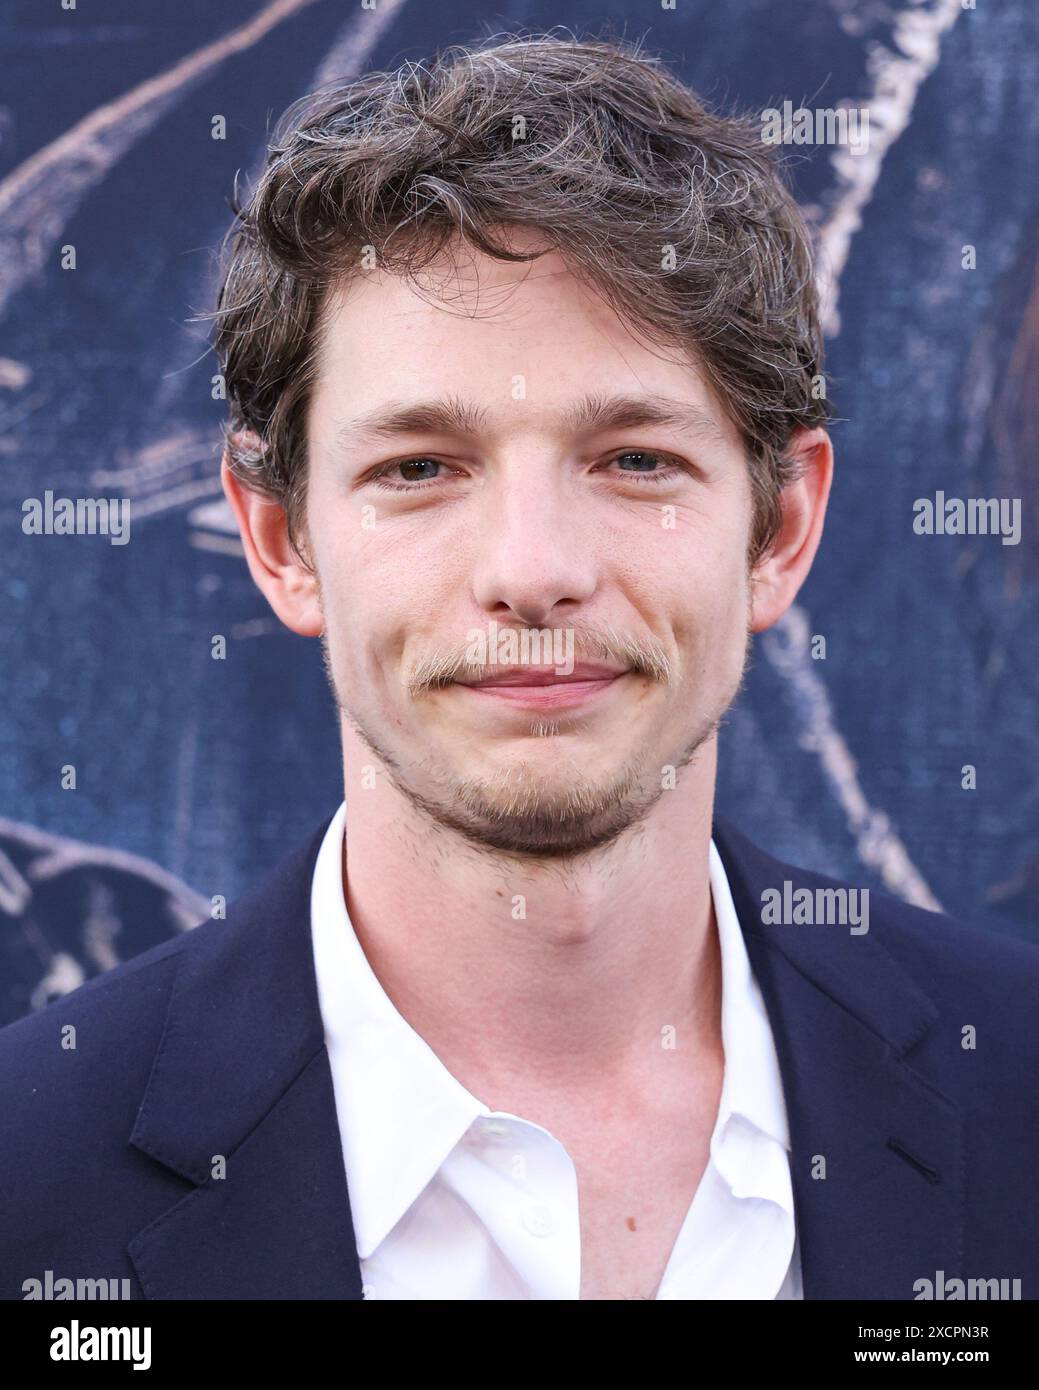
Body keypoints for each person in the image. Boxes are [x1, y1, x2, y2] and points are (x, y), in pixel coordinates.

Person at [2, 33, 1036, 1302]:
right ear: (284, 541)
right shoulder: (27, 1176)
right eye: (420, 468)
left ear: (778, 529)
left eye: (634, 459)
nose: (532, 568)